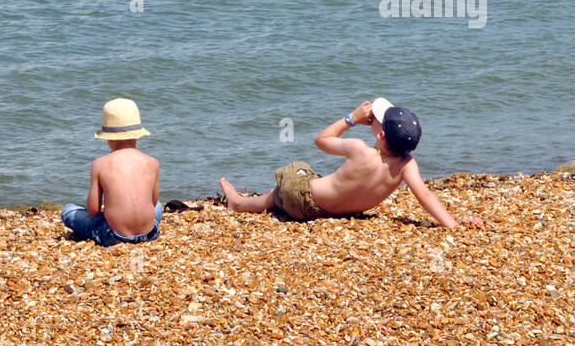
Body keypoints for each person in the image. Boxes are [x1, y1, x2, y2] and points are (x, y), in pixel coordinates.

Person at [220, 99, 483, 230]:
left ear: (380, 135)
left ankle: (240, 203)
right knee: (313, 180)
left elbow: (321, 139)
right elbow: (424, 195)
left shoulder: (359, 149)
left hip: (304, 200)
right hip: (331, 214)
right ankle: (253, 202)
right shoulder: (406, 165)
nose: (372, 120)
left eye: (375, 120)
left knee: (293, 175)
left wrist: (352, 118)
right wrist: (453, 225)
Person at [61, 98, 163, 247]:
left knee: (68, 210)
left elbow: (93, 209)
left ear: (109, 138)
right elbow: (153, 202)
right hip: (149, 232)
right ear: (137, 134)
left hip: (114, 235)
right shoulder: (152, 162)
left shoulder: (100, 164)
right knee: (159, 205)